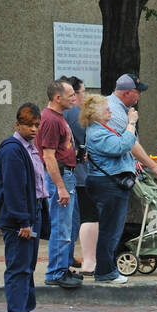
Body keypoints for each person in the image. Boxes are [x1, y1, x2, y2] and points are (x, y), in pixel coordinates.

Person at [0, 103, 52, 312]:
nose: (34, 129)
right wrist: (23, 222)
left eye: (37, 125)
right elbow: (14, 188)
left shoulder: (30, 147)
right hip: (19, 219)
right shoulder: (12, 149)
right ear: (17, 125)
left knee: (28, 265)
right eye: (29, 125)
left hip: (32, 213)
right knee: (18, 267)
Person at [82, 93, 136, 285]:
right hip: (108, 185)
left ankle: (107, 269)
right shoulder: (97, 132)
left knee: (112, 228)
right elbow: (121, 146)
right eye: (106, 109)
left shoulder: (101, 128)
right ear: (94, 113)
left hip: (109, 183)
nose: (110, 111)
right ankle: (106, 272)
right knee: (110, 230)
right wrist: (131, 123)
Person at [36, 79, 82, 288]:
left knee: (68, 225)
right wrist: (61, 187)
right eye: (71, 94)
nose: (74, 98)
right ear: (57, 98)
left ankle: (62, 267)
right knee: (61, 226)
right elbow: (49, 156)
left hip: (67, 176)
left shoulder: (58, 118)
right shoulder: (51, 120)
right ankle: (55, 272)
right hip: (60, 178)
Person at [61, 76, 99, 276]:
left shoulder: (61, 113)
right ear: (74, 93)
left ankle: (67, 257)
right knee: (76, 220)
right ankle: (66, 259)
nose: (84, 96)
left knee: (68, 220)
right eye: (82, 91)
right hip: (79, 175)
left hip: (71, 174)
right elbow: (87, 136)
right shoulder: (75, 113)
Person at [107, 75, 157, 187]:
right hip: (113, 177)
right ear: (127, 93)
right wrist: (154, 166)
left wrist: (141, 160)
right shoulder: (112, 110)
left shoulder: (122, 107)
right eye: (138, 91)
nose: (141, 94)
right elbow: (130, 144)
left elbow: (132, 140)